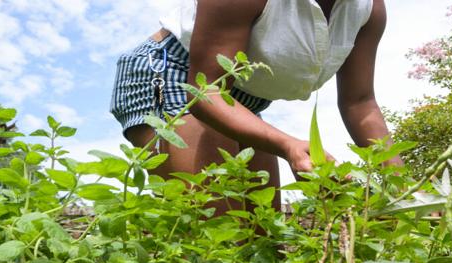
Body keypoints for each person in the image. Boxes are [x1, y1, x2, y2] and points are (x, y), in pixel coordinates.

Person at [110, 0, 392, 193]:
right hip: (175, 76)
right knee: (219, 237)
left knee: (264, 244)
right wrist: (287, 144)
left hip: (240, 98)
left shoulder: (368, 9)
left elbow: (360, 103)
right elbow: (205, 89)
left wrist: (405, 189)